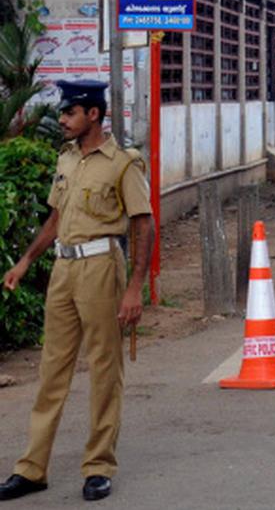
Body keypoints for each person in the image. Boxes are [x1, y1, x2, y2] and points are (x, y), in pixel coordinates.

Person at [1, 80, 154, 503]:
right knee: (52, 371)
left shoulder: (123, 164)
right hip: (64, 269)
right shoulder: (66, 158)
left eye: (70, 113)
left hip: (102, 267)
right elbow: (55, 219)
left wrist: (134, 289)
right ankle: (31, 469)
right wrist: (25, 261)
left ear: (93, 115)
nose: (63, 120)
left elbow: (143, 224)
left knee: (104, 370)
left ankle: (99, 467)